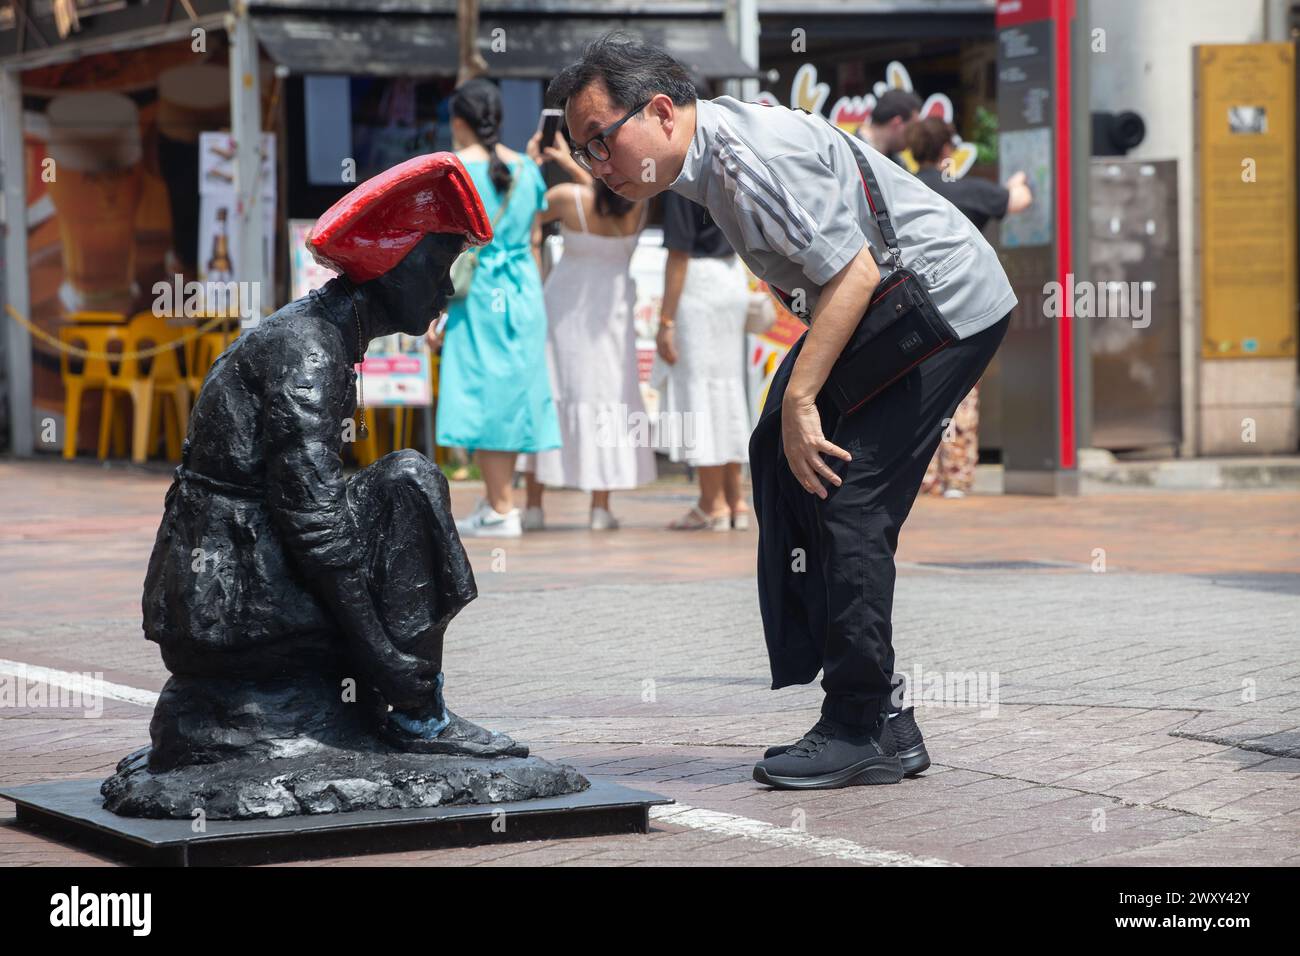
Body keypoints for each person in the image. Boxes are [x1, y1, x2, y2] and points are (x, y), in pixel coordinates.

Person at [550, 33, 1016, 790]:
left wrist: (805, 398)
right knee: (783, 455)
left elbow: (852, 272)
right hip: (894, 306)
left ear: (662, 112)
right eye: (583, 152)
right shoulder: (710, 158)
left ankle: (859, 722)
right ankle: (880, 716)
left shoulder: (739, 161)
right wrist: (795, 405)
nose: (597, 165)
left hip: (941, 304)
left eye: (601, 141)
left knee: (847, 492)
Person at [141, 153, 524, 762]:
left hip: (229, 575)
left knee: (401, 481)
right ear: (393, 266)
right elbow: (312, 521)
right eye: (439, 266)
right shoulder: (309, 353)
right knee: (411, 482)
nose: (448, 288)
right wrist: (383, 656)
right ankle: (416, 711)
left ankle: (409, 703)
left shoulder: (322, 333)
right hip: (228, 602)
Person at [432, 78, 560, 538]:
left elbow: (444, 245)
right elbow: (534, 237)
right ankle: (495, 501)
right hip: (523, 291)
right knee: (510, 394)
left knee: (485, 394)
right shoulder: (526, 167)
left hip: (480, 291)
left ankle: (503, 507)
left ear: (458, 121)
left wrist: (433, 307)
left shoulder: (453, 169)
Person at [516, 128, 656, 530]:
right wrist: (570, 164)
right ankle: (600, 507)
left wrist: (537, 163)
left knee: (550, 392)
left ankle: (534, 506)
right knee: (608, 399)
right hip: (611, 319)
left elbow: (527, 209)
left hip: (563, 312)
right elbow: (607, 198)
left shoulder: (566, 201)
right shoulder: (640, 207)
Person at [907, 116, 1032, 498]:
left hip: (913, 306)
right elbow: (1018, 202)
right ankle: (957, 476)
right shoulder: (967, 191)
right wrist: (1019, 182)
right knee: (961, 391)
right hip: (963, 306)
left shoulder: (904, 187)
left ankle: (922, 476)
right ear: (948, 149)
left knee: (917, 390)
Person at [656, 188, 753, 531]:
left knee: (700, 392)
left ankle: (711, 503)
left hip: (698, 286)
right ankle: (736, 500)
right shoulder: (724, 170)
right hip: (731, 278)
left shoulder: (682, 181)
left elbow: (679, 253)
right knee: (727, 390)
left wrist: (665, 321)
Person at [857, 88, 923, 164]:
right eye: (911, 129)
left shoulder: (898, 162)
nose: (913, 137)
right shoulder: (850, 154)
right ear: (897, 124)